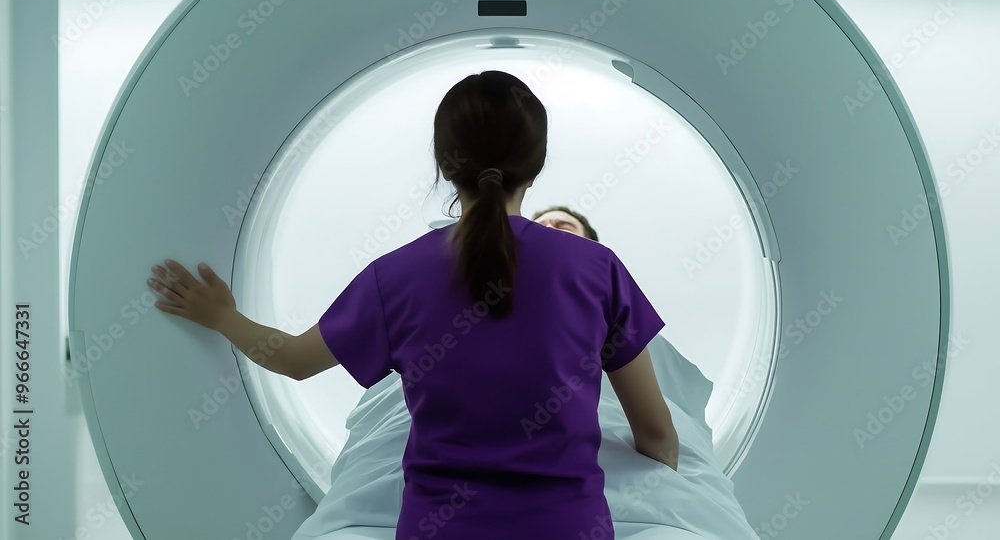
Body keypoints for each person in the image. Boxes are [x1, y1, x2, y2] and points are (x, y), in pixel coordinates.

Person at [146, 70, 679, 540]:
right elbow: (656, 437)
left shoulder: (396, 276)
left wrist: (221, 316)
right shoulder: (596, 268)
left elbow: (292, 360)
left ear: (445, 166)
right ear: (536, 167)